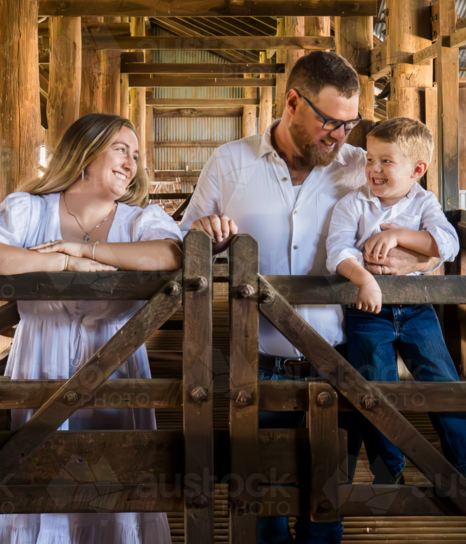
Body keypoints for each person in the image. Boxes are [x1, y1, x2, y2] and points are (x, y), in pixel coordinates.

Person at [180, 51, 439, 544]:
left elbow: (432, 238)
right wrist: (204, 233)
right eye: (330, 122)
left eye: (350, 123)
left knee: (327, 496)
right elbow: (183, 239)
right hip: (253, 361)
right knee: (261, 501)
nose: (341, 136)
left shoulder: (365, 168)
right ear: (293, 102)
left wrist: (413, 262)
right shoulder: (230, 161)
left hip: (338, 358)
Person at [0, 113, 179, 544]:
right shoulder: (29, 209)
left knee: (112, 473)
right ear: (85, 152)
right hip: (41, 354)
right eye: (120, 149)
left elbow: (170, 255)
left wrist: (85, 248)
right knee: (36, 466)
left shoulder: (139, 220)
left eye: (135, 155)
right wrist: (60, 262)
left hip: (115, 357)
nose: (131, 163)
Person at [326, 117, 466, 490]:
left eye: (386, 161)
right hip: (367, 311)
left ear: (417, 169)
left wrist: (398, 235)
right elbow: (337, 250)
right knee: (375, 388)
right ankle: (387, 470)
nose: (374, 169)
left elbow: (447, 243)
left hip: (417, 309)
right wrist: (363, 278)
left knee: (441, 380)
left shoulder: (424, 202)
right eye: (370, 159)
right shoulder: (353, 204)